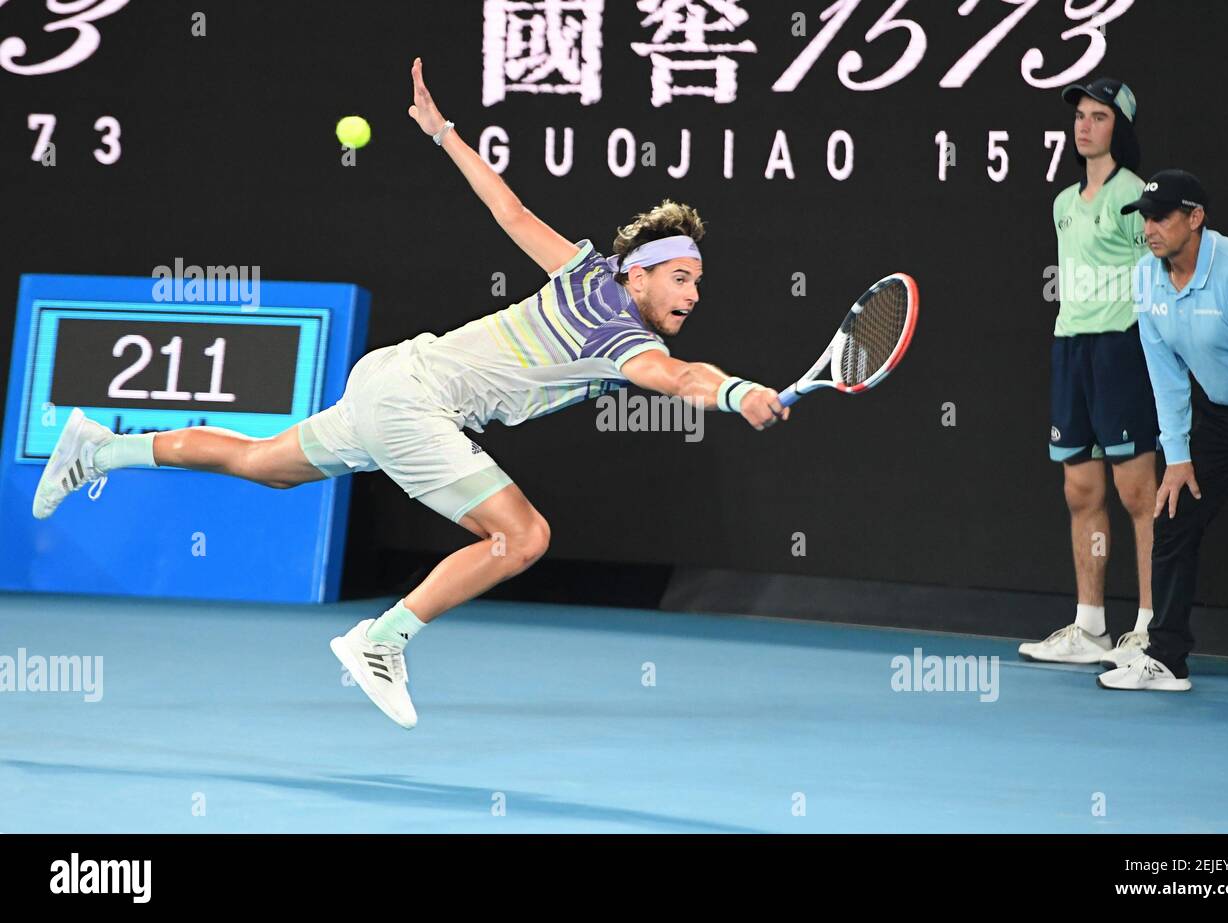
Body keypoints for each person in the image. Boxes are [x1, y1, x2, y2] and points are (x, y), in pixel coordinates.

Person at [31, 57, 791, 728]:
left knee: (263, 463)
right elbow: (681, 378)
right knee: (522, 538)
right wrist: (739, 394)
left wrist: (442, 131)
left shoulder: (582, 268)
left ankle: (100, 447)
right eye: (681, 277)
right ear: (640, 273)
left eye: (698, 282)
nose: (692, 294)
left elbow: (510, 210)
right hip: (413, 406)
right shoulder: (624, 340)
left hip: (390, 373)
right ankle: (380, 638)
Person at [1098, 169, 1228, 691]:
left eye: (1162, 216)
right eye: (1144, 218)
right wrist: (1178, 453)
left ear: (1195, 218)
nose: (1150, 228)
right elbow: (1163, 372)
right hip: (1222, 413)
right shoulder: (1146, 276)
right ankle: (1166, 657)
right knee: (1173, 512)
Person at [1018, 78, 1159, 666]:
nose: (1084, 125)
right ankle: (1092, 626)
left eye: (1098, 117)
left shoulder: (1135, 196)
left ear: (1117, 127)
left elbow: (1155, 279)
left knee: (1138, 495)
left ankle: (1151, 627)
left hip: (1120, 349)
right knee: (1082, 490)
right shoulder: (1061, 204)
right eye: (1080, 115)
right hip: (1070, 348)